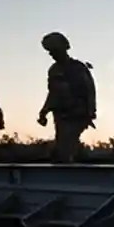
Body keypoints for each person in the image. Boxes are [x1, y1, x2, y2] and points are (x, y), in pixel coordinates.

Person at [37, 32, 97, 163]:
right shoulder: (53, 70)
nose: (52, 54)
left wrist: (90, 111)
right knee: (63, 147)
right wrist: (44, 111)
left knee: (66, 147)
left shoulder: (78, 67)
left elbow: (90, 89)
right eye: (50, 51)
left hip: (77, 114)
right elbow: (52, 93)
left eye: (54, 50)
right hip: (61, 116)